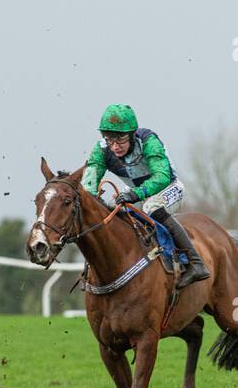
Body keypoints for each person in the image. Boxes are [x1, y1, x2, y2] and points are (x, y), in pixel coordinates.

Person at [83, 103, 209, 287]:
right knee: (110, 210)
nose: (115, 146)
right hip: (138, 194)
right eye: (110, 139)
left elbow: (162, 176)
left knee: (152, 206)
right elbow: (90, 177)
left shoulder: (148, 140)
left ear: (132, 134)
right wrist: (91, 199)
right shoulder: (102, 149)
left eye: (120, 139)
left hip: (169, 188)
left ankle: (196, 263)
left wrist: (137, 193)